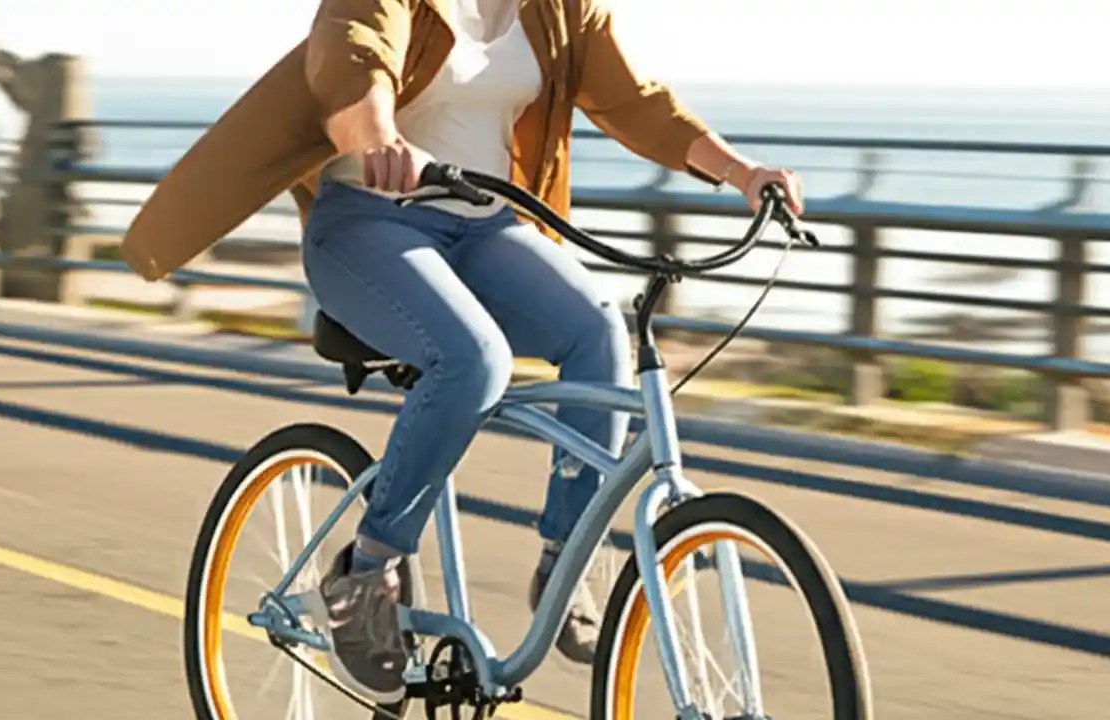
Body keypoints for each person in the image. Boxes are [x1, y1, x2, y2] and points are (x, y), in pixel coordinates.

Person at [299, 0, 804, 703]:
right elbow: (352, 52)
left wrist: (744, 173)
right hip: (368, 220)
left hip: (480, 225)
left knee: (597, 333)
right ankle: (368, 566)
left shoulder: (564, 9)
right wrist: (378, 133)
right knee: (472, 359)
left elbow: (636, 101)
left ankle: (568, 558)